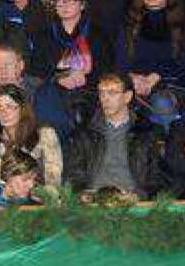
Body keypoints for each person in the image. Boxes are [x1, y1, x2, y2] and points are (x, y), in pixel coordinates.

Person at [64, 71, 163, 200]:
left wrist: (139, 196)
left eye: (112, 93)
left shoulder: (145, 132)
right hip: (94, 202)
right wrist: (83, 194)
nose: (105, 99)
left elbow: (156, 179)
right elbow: (73, 175)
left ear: (127, 97)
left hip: (131, 201)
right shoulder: (85, 132)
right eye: (102, 93)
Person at [118, 0, 185, 99]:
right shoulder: (129, 24)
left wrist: (156, 77)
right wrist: (132, 78)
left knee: (161, 103)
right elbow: (120, 64)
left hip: (170, 90)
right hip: (132, 88)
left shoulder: (183, 27)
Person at [0, 41, 70, 144]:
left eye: (8, 65)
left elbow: (57, 133)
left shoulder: (42, 92)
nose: (3, 71)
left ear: (21, 65)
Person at [30, 0, 118, 90]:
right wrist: (59, 77)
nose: (64, 6)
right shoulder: (44, 35)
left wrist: (85, 79)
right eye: (59, 1)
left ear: (82, 4)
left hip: (91, 92)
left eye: (70, 0)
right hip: (54, 91)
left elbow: (107, 69)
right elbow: (37, 69)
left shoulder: (98, 35)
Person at [0, 84, 63, 194]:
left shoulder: (45, 135)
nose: (4, 113)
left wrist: (44, 195)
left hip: (39, 199)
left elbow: (53, 176)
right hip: (4, 201)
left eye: (9, 106)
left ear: (22, 109)